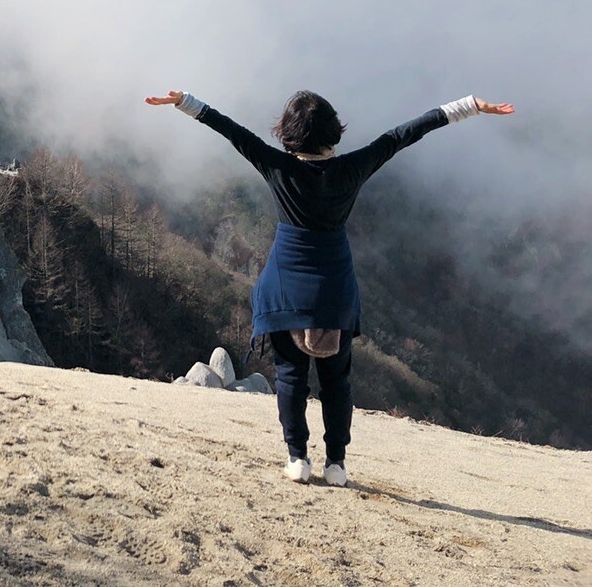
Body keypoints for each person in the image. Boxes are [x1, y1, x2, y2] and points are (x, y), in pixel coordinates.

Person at [144, 88, 514, 486]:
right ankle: (336, 464)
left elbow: (231, 131)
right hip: (334, 289)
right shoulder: (353, 169)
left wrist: (185, 101)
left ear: (288, 134)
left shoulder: (277, 167)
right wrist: (469, 106)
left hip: (285, 288)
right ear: (333, 132)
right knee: (337, 381)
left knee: (290, 376)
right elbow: (405, 134)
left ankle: (297, 458)